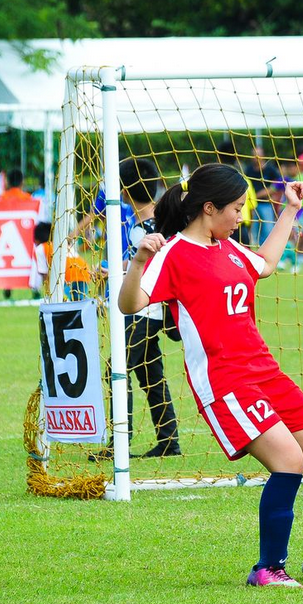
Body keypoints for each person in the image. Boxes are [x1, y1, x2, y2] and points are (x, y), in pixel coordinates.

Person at [118, 163, 303, 587]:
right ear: (209, 207)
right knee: (289, 461)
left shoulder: (228, 246)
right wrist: (139, 261)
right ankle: (267, 568)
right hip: (225, 382)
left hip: (265, 372)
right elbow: (131, 303)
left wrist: (291, 210)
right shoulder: (173, 254)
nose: (241, 216)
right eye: (236, 208)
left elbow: (267, 264)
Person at [116, 158, 181, 458]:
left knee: (115, 368)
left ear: (125, 191)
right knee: (149, 372)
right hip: (158, 309)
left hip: (146, 309)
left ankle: (119, 440)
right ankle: (169, 441)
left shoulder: (143, 228)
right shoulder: (163, 219)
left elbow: (152, 267)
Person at [245, 146, 282, 246]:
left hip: (266, 204)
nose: (256, 157)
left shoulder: (270, 169)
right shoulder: (248, 169)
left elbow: (278, 184)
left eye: (258, 155)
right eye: (254, 155)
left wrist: (260, 194)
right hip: (253, 206)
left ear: (263, 156)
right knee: (254, 231)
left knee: (267, 230)